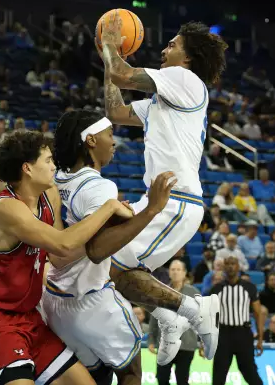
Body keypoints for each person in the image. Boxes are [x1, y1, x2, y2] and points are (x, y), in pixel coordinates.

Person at [0, 132, 132, 385]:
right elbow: (63, 244)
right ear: (27, 168)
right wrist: (108, 207)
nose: (55, 166)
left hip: (30, 316)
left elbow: (59, 254)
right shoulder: (4, 208)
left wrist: (108, 234)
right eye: (49, 160)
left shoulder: (48, 197)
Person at [98, 18, 226, 362]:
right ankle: (167, 315)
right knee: (105, 266)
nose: (164, 49)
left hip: (175, 200)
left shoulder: (184, 78)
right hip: (161, 199)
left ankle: (193, 309)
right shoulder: (164, 98)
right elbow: (115, 111)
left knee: (104, 266)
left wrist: (111, 45)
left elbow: (122, 76)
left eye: (173, 45)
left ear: (187, 59)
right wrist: (106, 58)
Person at [44, 110, 202, 385]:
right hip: (90, 300)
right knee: (130, 374)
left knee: (94, 377)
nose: (113, 142)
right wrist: (151, 210)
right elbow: (97, 249)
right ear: (90, 140)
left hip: (53, 299)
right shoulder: (98, 186)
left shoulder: (56, 179)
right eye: (109, 135)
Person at [210, 256, 264, 385]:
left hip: (243, 334)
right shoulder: (216, 289)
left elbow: (258, 313)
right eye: (227, 263)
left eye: (233, 263)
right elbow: (210, 316)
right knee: (219, 375)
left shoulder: (249, 287)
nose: (230, 266)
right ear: (223, 267)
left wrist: (261, 338)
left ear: (238, 266)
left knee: (250, 372)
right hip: (223, 334)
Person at [148, 260, 200, 385]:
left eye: (178, 269)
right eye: (173, 269)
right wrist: (151, 340)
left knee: (182, 380)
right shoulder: (160, 292)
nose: (175, 272)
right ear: (169, 273)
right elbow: (154, 317)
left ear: (184, 273)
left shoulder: (193, 293)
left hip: (186, 344)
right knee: (162, 378)